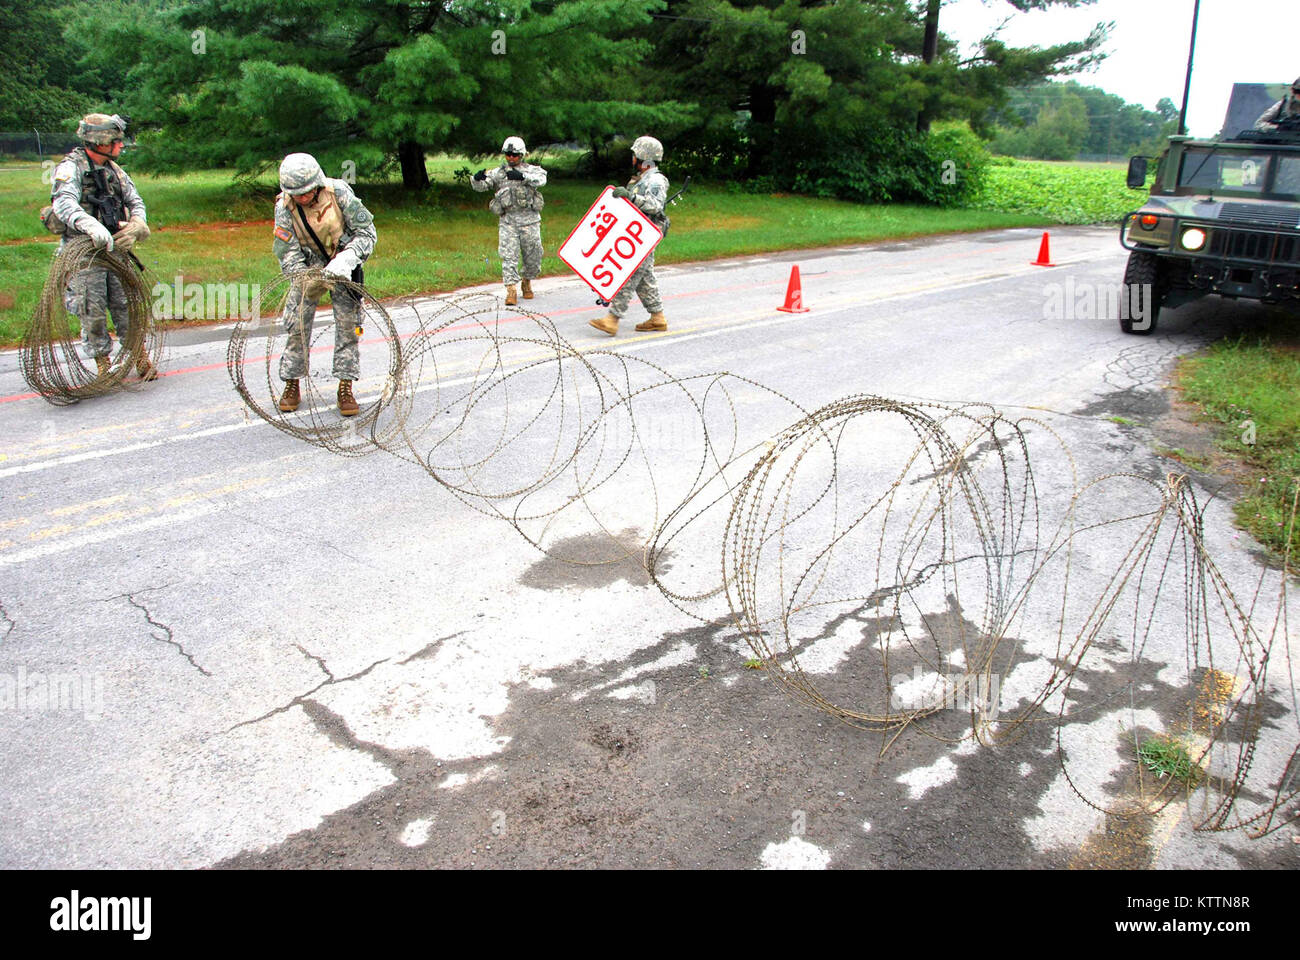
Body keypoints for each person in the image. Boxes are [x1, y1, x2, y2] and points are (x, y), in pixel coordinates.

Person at [49, 113, 156, 380]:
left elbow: (135, 201)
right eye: (116, 141)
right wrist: (90, 225)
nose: (121, 146)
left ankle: (138, 355)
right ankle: (102, 364)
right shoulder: (70, 168)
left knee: (127, 305)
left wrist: (136, 224)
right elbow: (63, 204)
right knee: (91, 309)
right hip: (85, 254)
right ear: (100, 141)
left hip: (116, 251)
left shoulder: (114, 171)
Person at [272, 153, 377, 417]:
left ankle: (345, 386)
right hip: (307, 270)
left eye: (307, 193)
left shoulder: (339, 193)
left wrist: (348, 258)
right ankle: (292, 383)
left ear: (317, 183)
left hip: (341, 264)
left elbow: (367, 233)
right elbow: (287, 252)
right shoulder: (284, 207)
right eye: (297, 195)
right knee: (295, 325)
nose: (303, 199)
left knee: (348, 327)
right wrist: (305, 276)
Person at [589, 136, 669, 336]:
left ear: (643, 157)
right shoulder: (642, 179)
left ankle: (612, 318)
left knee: (632, 273)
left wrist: (632, 197)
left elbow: (655, 206)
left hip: (645, 233)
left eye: (635, 154)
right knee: (645, 276)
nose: (632, 158)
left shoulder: (656, 180)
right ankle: (657, 317)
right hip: (636, 231)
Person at [471, 136, 546, 305]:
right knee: (509, 256)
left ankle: (527, 281)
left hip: (530, 221)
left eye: (515, 155)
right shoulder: (499, 173)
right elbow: (482, 186)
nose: (511, 158)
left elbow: (542, 180)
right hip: (508, 222)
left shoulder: (532, 171)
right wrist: (476, 179)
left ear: (521, 155)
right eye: (508, 154)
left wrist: (522, 176)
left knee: (533, 256)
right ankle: (511, 290)